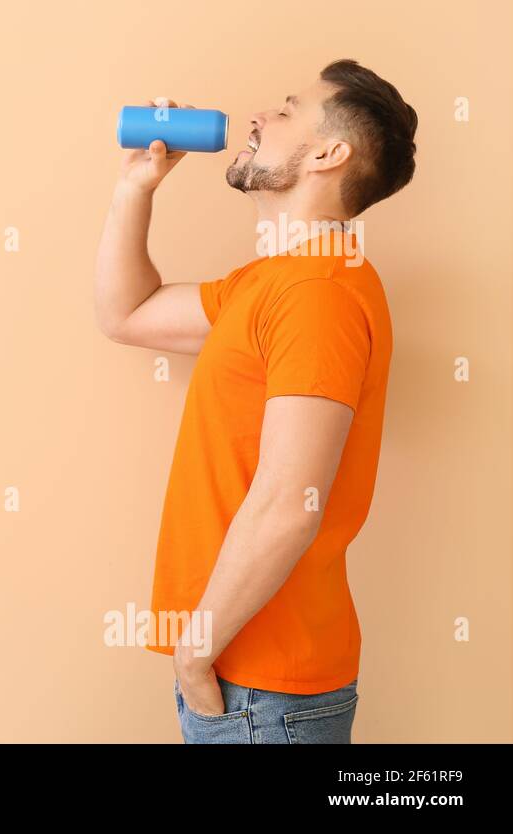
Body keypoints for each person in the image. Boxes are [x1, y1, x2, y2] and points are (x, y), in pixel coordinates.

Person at [93, 60, 417, 743]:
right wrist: (135, 189)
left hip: (260, 690)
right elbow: (127, 314)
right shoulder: (271, 283)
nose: (259, 118)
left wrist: (195, 650)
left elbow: (287, 505)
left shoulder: (317, 294)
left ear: (329, 153)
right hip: (245, 682)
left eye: (287, 109)